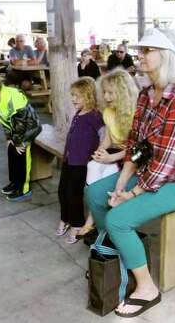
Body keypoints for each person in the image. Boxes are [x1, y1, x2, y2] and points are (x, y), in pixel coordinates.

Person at [84, 28, 175, 318]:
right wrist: (121, 184)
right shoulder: (147, 94)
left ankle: (147, 288)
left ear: (165, 56)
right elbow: (137, 146)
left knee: (118, 218)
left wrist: (131, 195)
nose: (140, 55)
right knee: (95, 192)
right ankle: (121, 250)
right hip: (153, 169)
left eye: (147, 50)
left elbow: (167, 159)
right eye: (141, 50)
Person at [0, 70, 42, 202]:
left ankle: (24, 189)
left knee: (22, 155)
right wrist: (9, 139)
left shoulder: (13, 98)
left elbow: (22, 123)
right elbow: (4, 121)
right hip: (16, 130)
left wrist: (19, 142)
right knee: (11, 151)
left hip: (29, 130)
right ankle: (15, 183)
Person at [58, 77, 103, 244]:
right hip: (69, 159)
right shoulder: (78, 113)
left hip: (81, 163)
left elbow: (104, 136)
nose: (73, 99)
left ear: (89, 96)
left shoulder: (95, 116)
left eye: (77, 96)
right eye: (72, 95)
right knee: (62, 190)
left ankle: (77, 223)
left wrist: (98, 155)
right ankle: (65, 218)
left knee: (74, 194)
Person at [86, 69, 138, 194]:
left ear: (123, 93)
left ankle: (105, 203)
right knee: (92, 165)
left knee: (107, 174)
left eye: (110, 92)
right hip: (117, 153)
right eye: (104, 92)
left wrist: (111, 158)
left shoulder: (136, 113)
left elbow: (136, 147)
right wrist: (100, 151)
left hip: (134, 158)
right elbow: (108, 140)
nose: (105, 97)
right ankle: (93, 204)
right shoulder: (108, 112)